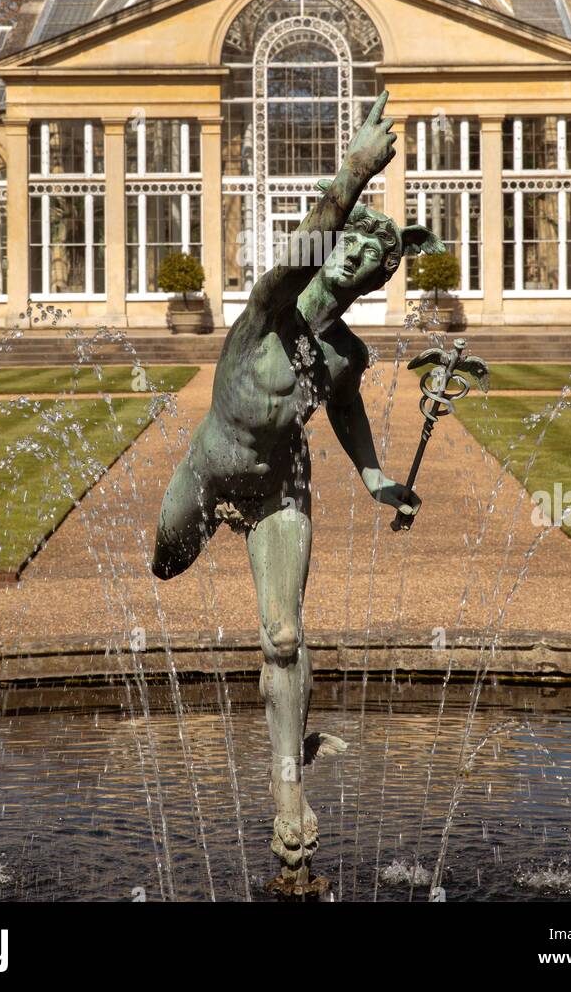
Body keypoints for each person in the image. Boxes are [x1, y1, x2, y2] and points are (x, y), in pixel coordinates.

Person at [152, 90, 442, 873]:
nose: (357, 270)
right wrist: (354, 170)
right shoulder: (270, 308)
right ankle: (286, 727)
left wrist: (378, 477)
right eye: (352, 253)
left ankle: (288, 785)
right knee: (164, 561)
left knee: (283, 636)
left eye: (375, 268)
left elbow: (345, 414)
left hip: (282, 491)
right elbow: (306, 244)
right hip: (209, 472)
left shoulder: (347, 355)